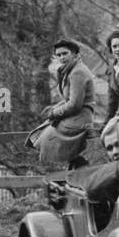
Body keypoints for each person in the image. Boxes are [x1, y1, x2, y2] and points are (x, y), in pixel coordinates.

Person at [38, 39, 96, 168]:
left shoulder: (77, 72)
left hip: (80, 117)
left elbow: (75, 104)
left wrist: (54, 113)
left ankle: (70, 167)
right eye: (58, 55)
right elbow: (68, 98)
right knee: (43, 131)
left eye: (65, 53)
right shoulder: (69, 71)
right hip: (75, 115)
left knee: (48, 136)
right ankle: (72, 164)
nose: (62, 57)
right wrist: (55, 107)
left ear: (74, 54)